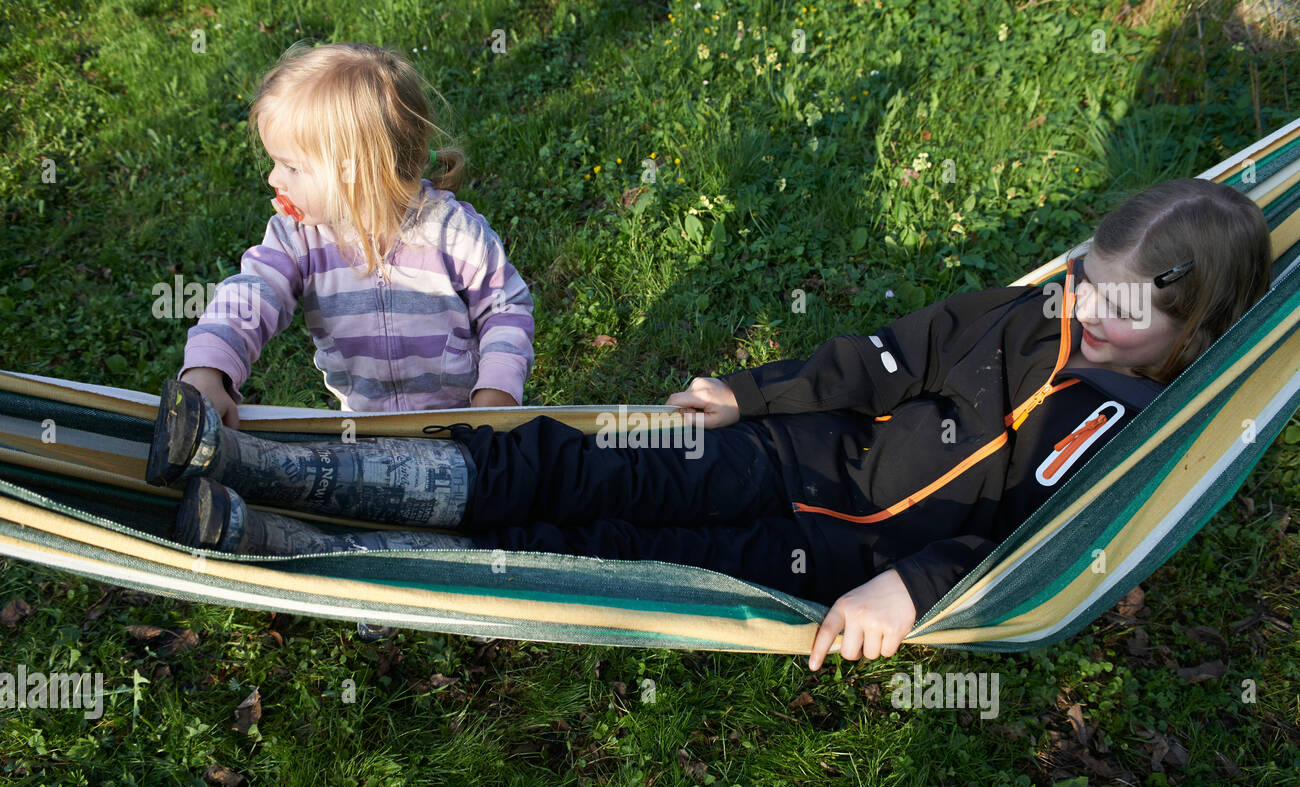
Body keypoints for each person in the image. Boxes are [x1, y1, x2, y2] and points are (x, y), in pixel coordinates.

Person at [146, 178, 1271, 670]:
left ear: (1191, 332)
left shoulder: (1122, 431)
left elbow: (1031, 546)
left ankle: (293, 545)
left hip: (831, 552)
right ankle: (251, 455)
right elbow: (882, 356)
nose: (1085, 312)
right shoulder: (1029, 313)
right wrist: (753, 392)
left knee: (593, 553)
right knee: (580, 459)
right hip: (786, 449)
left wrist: (908, 589)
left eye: (1121, 313)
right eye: (1085, 278)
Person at [177, 42, 535, 425]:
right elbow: (248, 297)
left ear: (354, 172)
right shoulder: (298, 239)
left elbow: (504, 308)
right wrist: (209, 367)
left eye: (291, 167)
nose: (273, 178)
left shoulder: (453, 234)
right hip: (364, 428)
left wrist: (494, 393)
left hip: (461, 425)